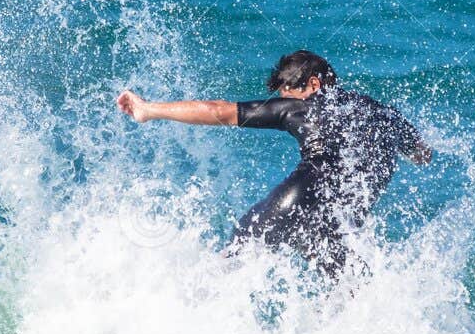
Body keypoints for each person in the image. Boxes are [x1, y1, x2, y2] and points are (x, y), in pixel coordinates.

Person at [116, 50, 432, 277]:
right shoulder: (383, 114)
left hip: (297, 199)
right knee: (352, 283)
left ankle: (183, 314)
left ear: (314, 85)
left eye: (288, 94)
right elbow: (422, 155)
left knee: (225, 267)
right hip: (335, 213)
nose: (285, 101)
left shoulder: (300, 108)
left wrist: (150, 109)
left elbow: (220, 110)